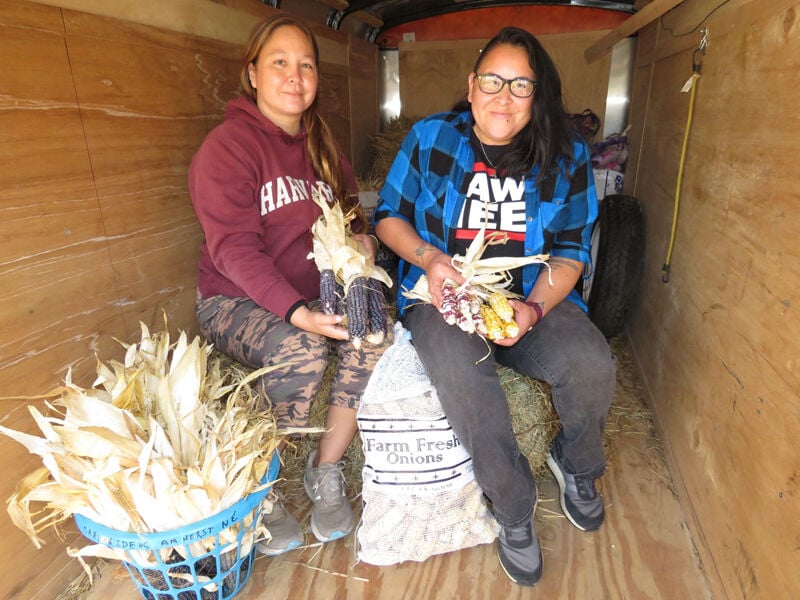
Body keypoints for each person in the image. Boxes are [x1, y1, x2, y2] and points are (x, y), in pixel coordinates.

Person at [374, 26, 615, 586]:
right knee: (465, 379)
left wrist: (531, 309)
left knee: (590, 364)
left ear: (539, 94)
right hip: (443, 297)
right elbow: (388, 214)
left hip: (530, 294)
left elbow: (572, 251)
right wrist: (432, 259)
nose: (503, 97)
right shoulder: (433, 137)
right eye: (492, 80)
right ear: (471, 83)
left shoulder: (568, 154)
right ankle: (512, 507)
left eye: (521, 85)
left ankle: (577, 465)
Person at [188, 15, 389, 555]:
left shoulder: (323, 145)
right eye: (279, 63)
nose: (294, 76)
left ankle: (324, 471)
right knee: (302, 351)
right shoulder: (226, 148)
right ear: (252, 73)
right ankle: (260, 489)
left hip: (315, 296)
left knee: (373, 333)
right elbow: (233, 249)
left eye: (305, 65)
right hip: (236, 299)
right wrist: (295, 312)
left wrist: (363, 247)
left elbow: (353, 221)